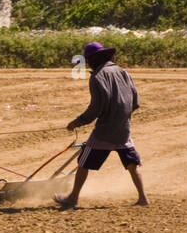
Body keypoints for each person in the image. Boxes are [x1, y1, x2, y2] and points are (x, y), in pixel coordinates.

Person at [54, 42, 149, 210]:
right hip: (123, 130)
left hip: (104, 132)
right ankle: (143, 198)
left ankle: (73, 198)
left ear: (94, 59)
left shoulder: (97, 77)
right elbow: (136, 101)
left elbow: (96, 108)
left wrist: (78, 122)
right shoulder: (123, 72)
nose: (88, 63)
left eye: (89, 60)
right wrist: (121, 118)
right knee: (132, 164)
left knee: (83, 163)